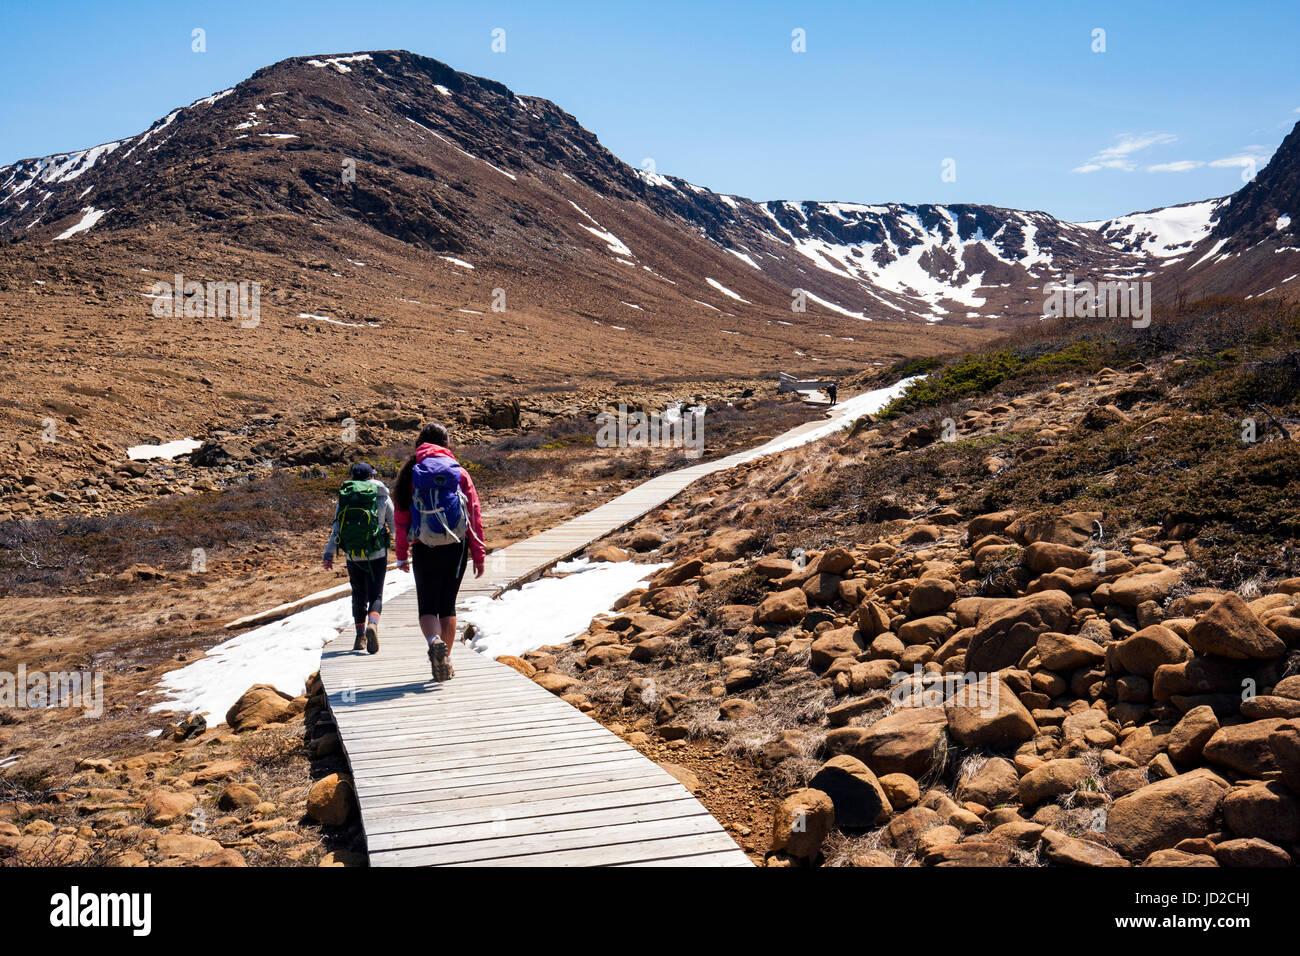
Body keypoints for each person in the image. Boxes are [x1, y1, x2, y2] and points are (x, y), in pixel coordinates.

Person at [393, 422, 485, 681]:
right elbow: (474, 514)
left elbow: (401, 518)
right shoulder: (458, 472)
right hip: (456, 545)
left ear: (419, 443)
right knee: (448, 607)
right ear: (446, 443)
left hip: (424, 546)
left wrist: (402, 554)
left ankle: (434, 641)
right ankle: (446, 660)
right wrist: (478, 553)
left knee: (427, 607)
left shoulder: (410, 473)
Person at [323, 462, 394, 654]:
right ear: (372, 476)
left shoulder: (345, 499)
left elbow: (336, 529)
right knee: (376, 594)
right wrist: (403, 546)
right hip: (377, 554)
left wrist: (328, 554)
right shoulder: (382, 496)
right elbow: (395, 525)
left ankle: (360, 636)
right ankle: (373, 624)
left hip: (353, 555)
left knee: (358, 594)